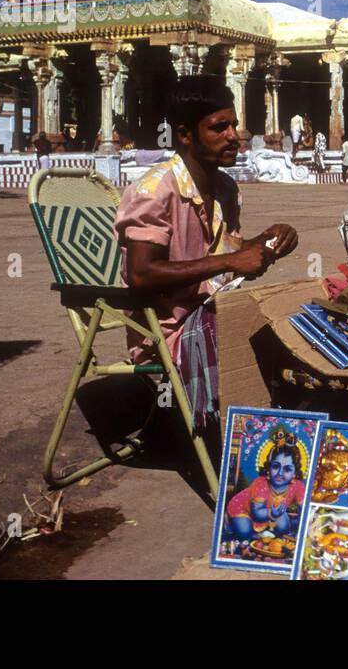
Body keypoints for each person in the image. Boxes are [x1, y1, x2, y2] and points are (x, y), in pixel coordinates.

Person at [115, 75, 299, 427]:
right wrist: (232, 260)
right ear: (185, 135)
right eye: (219, 127)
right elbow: (141, 274)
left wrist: (267, 243)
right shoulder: (155, 190)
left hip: (216, 312)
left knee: (294, 311)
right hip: (168, 332)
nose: (233, 136)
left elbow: (226, 258)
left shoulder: (226, 187)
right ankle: (247, 439)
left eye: (234, 125)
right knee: (265, 337)